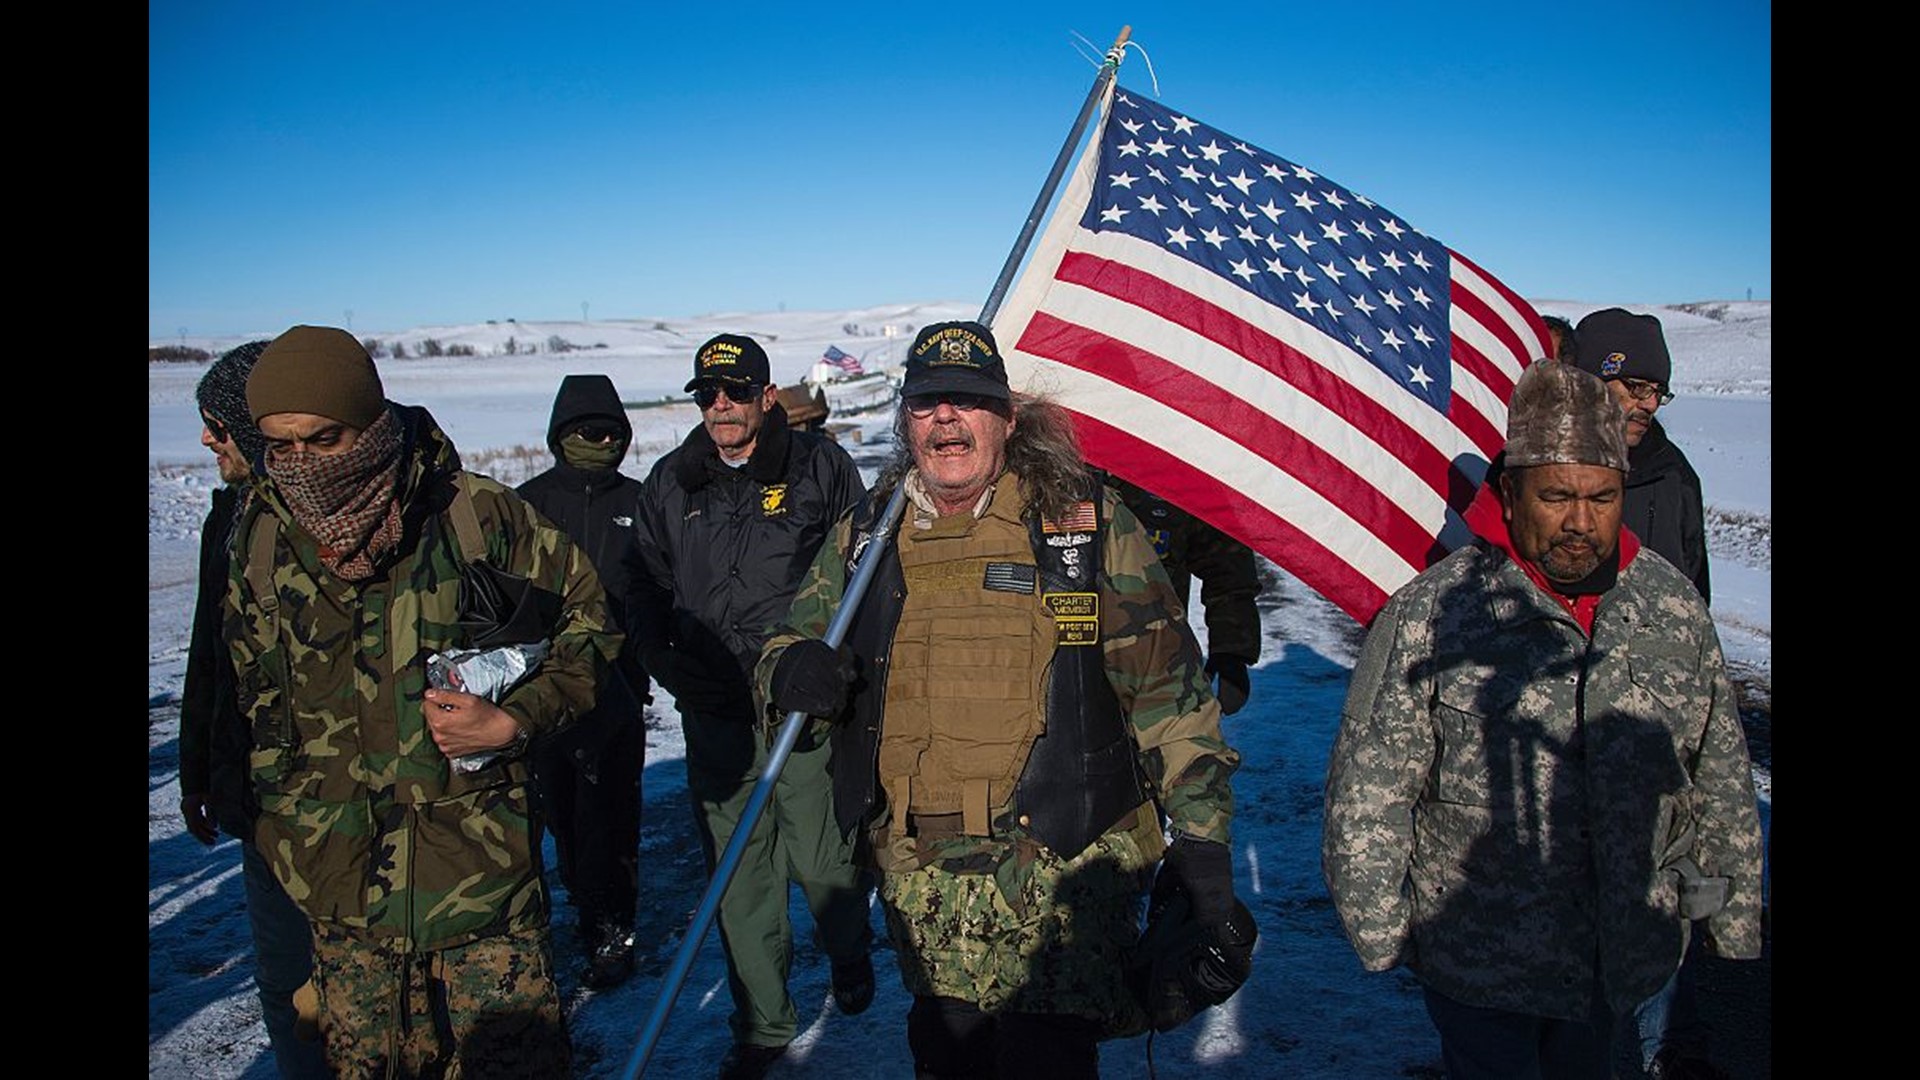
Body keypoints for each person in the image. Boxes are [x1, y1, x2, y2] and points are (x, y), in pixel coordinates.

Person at [755, 321, 1248, 1079]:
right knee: (946, 1055)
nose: (946, 417)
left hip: (1058, 873)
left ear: (1008, 418)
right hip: (921, 881)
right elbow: (787, 642)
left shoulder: (1080, 526)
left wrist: (1205, 847)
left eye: (968, 399)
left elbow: (1168, 695)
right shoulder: (868, 538)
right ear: (906, 419)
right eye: (926, 402)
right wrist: (790, 673)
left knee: (1044, 1059)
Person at [1321, 359, 1764, 1080]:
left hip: (1620, 947)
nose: (1581, 522)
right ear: (1510, 493)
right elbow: (1369, 783)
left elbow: (1718, 765)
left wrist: (1734, 912)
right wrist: (1381, 928)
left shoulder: (1670, 606)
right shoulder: (1436, 613)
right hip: (1483, 960)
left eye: (1603, 496)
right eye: (1557, 497)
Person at [224, 325, 622, 1078]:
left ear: (371, 423)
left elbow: (592, 628)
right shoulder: (263, 540)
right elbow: (258, 700)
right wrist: (288, 833)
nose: (303, 465)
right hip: (342, 898)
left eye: (324, 438)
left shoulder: (478, 519)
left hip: (483, 883)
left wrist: (514, 720)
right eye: (282, 446)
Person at [632, 332, 876, 1080]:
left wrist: (837, 671)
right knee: (742, 878)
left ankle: (847, 950)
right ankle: (764, 1025)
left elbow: (866, 572)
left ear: (768, 397)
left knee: (819, 853)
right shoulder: (672, 482)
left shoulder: (819, 466)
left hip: (801, 707)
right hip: (716, 711)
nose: (721, 407)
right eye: (707, 393)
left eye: (736, 392)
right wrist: (674, 669)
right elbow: (643, 590)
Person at [1571, 308, 1720, 1077]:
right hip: (1552, 747)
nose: (1644, 405)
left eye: (1656, 391)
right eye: (1630, 385)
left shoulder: (1672, 477)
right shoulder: (1535, 478)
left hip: (1644, 738)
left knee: (1654, 918)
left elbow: (1695, 606)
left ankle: (1652, 1059)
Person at [178, 340, 331, 1080]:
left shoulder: (327, 526)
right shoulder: (226, 522)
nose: (207, 439)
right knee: (283, 984)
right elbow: (209, 661)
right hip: (255, 802)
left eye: (217, 422)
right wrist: (198, 771)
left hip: (331, 806)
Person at [516, 374, 651, 990]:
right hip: (541, 692)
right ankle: (576, 905)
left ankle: (612, 930)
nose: (596, 440)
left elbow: (659, 595)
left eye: (607, 431)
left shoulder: (640, 502)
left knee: (613, 817)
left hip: (618, 691)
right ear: (559, 434)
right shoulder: (526, 504)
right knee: (559, 812)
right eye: (582, 431)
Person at [1572, 306, 1710, 602]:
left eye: (1659, 392)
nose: (1650, 404)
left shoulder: (1672, 474)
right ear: (1589, 384)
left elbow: (1695, 591)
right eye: (1636, 387)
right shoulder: (1533, 468)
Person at [1103, 473, 1263, 716]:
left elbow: (1225, 565)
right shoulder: (1041, 459)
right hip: (1050, 670)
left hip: (1157, 674)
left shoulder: (1174, 462)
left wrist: (1231, 649)